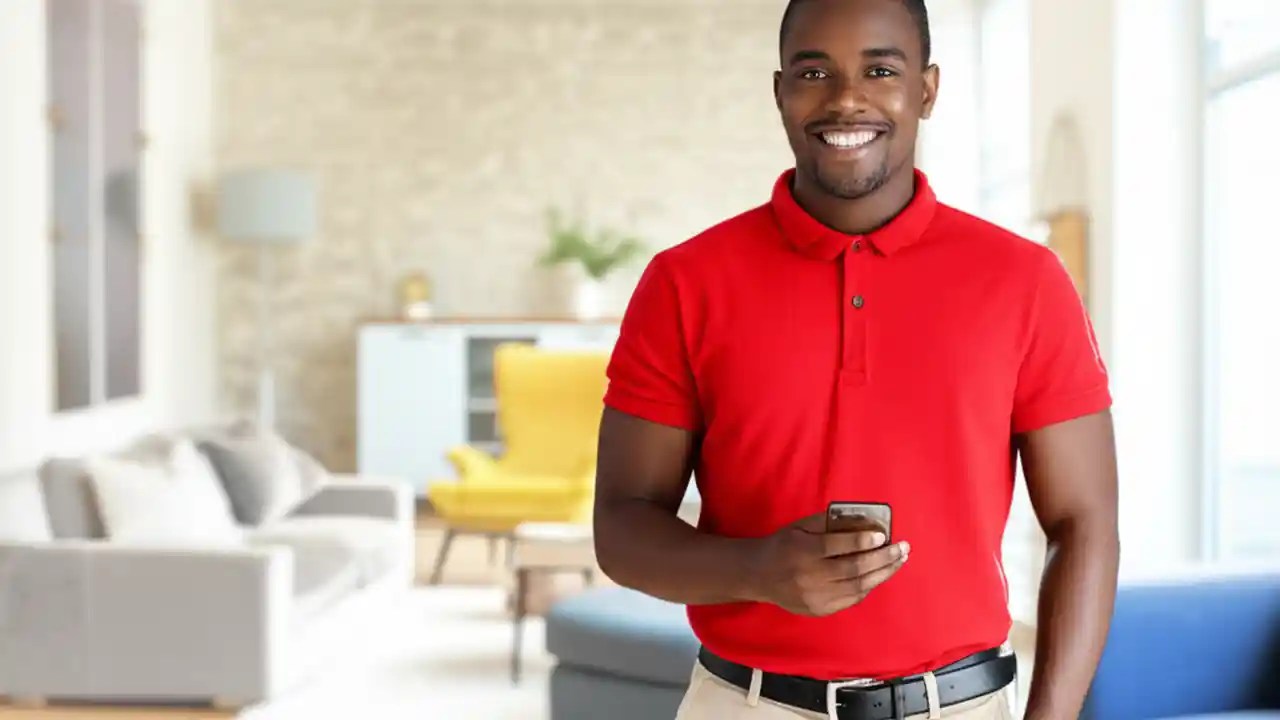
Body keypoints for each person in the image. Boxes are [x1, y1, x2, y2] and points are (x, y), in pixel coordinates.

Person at [593, 0, 1119, 718]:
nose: (846, 98)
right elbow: (622, 528)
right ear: (779, 92)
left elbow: (1084, 521)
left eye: (881, 69)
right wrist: (757, 570)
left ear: (926, 90)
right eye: (814, 71)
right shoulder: (685, 283)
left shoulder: (1026, 282)